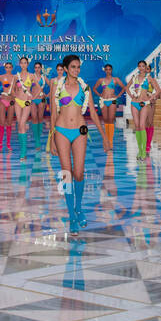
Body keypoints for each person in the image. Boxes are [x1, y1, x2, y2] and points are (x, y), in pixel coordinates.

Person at [49, 55, 102, 231]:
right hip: (61, 131)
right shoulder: (56, 87)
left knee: (79, 173)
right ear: (65, 68)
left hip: (80, 131)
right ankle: (72, 216)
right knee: (67, 173)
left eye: (78, 67)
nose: (76, 70)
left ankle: (79, 208)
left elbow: (93, 113)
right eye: (73, 67)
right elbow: (53, 115)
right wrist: (51, 140)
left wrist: (104, 136)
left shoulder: (85, 87)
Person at [126, 61, 156, 160]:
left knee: (142, 125)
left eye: (143, 66)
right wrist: (131, 96)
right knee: (137, 126)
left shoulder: (149, 78)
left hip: (144, 104)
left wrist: (151, 97)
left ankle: (144, 151)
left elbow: (158, 90)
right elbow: (127, 88)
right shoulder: (134, 77)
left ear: (146, 67)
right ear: (138, 67)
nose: (141, 68)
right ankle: (140, 150)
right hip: (134, 103)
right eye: (139, 66)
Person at [93, 64, 124, 152]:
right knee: (106, 120)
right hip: (103, 100)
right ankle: (106, 141)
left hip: (112, 100)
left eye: (109, 69)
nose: (108, 71)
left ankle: (110, 142)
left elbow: (123, 88)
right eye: (106, 69)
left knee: (111, 119)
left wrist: (117, 96)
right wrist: (100, 95)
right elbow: (94, 88)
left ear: (111, 70)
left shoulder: (115, 79)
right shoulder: (101, 80)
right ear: (104, 70)